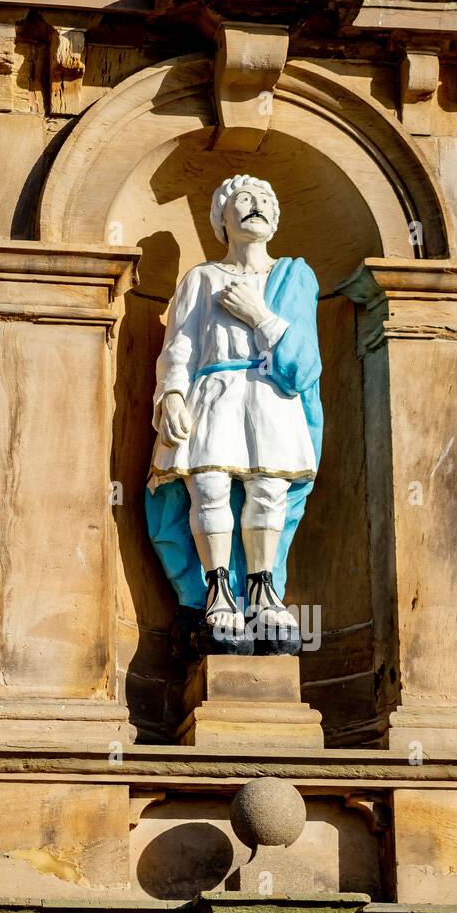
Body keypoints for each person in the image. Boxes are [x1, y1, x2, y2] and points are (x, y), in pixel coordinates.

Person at [146, 174, 322, 651]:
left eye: (265, 199)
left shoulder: (292, 277)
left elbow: (306, 361)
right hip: (216, 390)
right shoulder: (201, 278)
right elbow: (178, 346)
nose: (255, 205)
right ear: (222, 218)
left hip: (270, 393)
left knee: (269, 489)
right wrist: (172, 396)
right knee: (209, 487)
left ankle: (264, 591)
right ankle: (217, 588)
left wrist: (258, 315)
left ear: (276, 217)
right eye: (242, 199)